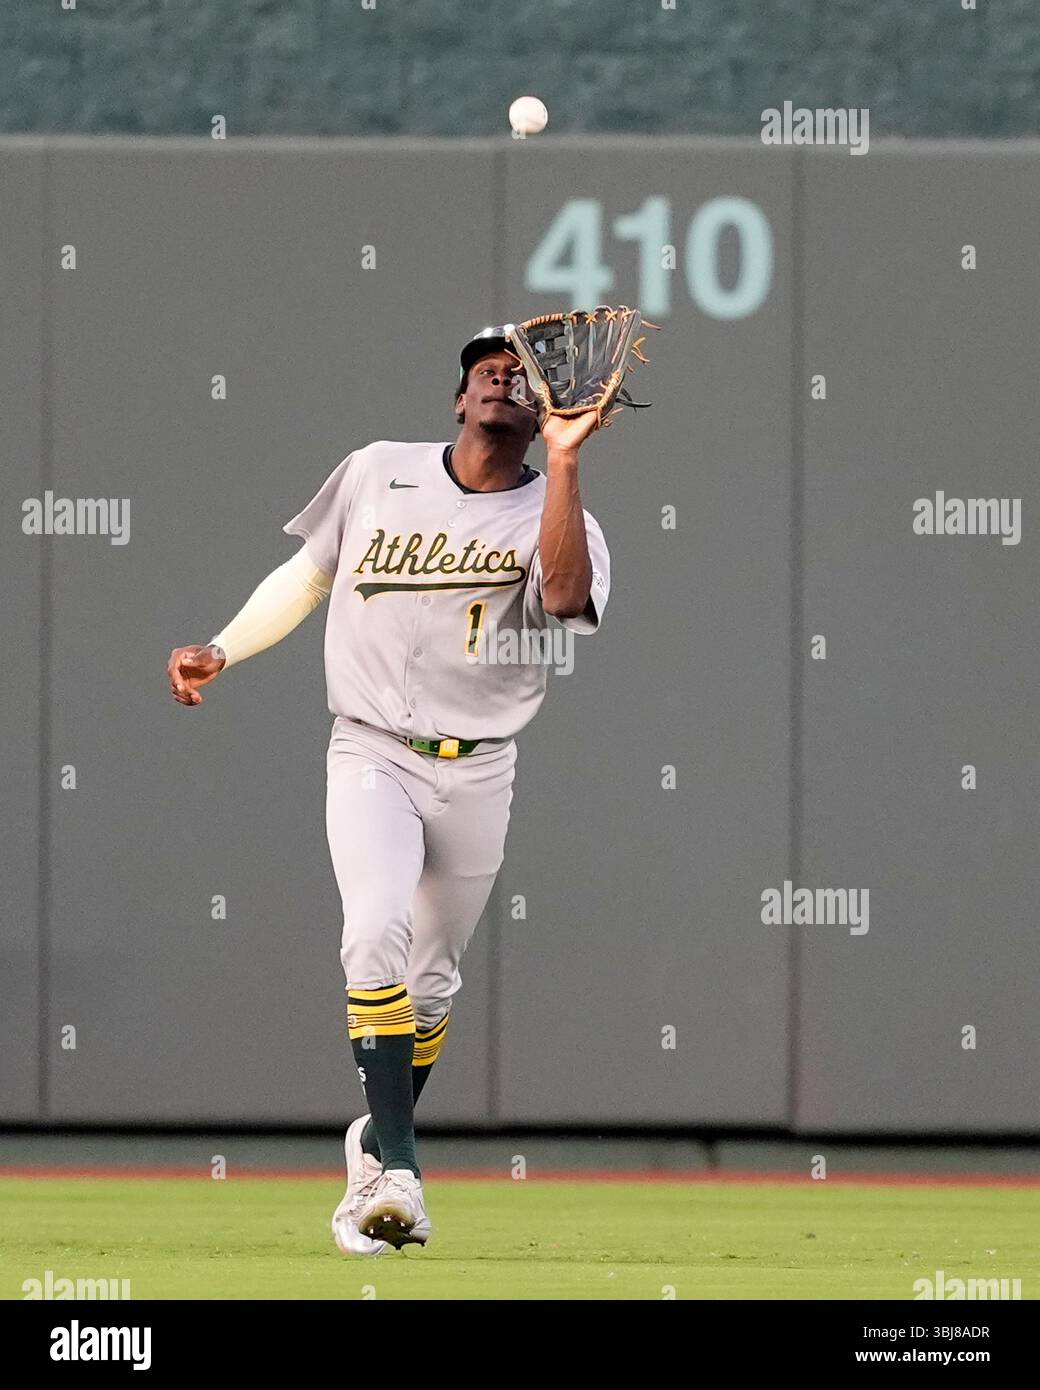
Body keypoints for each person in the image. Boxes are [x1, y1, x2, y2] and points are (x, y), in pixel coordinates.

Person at [166, 325, 611, 1253]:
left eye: (521, 376)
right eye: (484, 370)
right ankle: (400, 1171)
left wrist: (566, 467)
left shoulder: (559, 511)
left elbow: (565, 603)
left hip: (481, 765)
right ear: (458, 400)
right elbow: (310, 575)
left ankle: (373, 1143)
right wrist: (224, 645)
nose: (500, 377)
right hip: (370, 749)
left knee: (432, 986)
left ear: (547, 414)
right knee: (373, 929)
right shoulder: (378, 470)